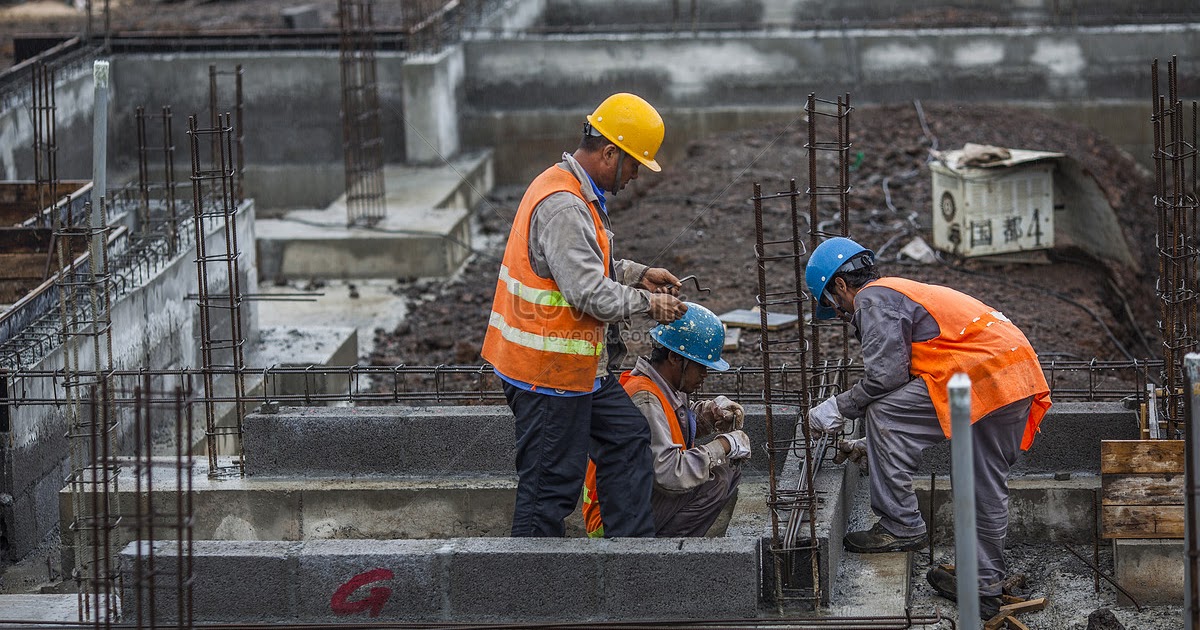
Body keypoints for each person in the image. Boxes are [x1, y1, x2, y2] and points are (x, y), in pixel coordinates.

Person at [803, 236, 1052, 619]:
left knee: (882, 411)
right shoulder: (903, 291)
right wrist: (875, 445)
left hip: (983, 377)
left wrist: (840, 407)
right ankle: (983, 587)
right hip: (1013, 375)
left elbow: (886, 377)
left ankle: (900, 525)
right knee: (981, 480)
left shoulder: (872, 297)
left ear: (839, 286)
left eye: (833, 307)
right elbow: (915, 380)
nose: (839, 314)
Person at [481, 93, 689, 538]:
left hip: (578, 372)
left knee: (628, 437)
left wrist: (639, 274)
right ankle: (533, 589)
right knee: (549, 488)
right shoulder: (565, 206)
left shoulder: (577, 192)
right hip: (547, 375)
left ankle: (631, 556)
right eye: (634, 164)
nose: (634, 175)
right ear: (609, 152)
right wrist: (651, 304)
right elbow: (589, 294)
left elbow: (582, 266)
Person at [581, 303, 751, 538]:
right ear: (673, 357)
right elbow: (670, 474)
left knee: (725, 473)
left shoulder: (665, 386)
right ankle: (662, 558)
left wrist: (709, 415)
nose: (705, 374)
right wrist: (723, 445)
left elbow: (673, 423)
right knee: (717, 480)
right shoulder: (646, 398)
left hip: (629, 501)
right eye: (700, 365)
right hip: (610, 521)